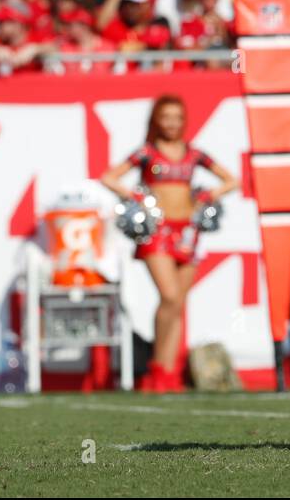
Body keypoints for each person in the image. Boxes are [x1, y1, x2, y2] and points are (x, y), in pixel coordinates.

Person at [100, 95, 239, 392]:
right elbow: (109, 177)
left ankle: (167, 372)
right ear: (156, 121)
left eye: (177, 117)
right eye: (166, 117)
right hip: (157, 232)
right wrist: (136, 196)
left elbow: (232, 180)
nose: (172, 123)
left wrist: (208, 196)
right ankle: (157, 366)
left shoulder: (194, 154)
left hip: (188, 232)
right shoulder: (147, 153)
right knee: (170, 295)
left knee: (178, 303)